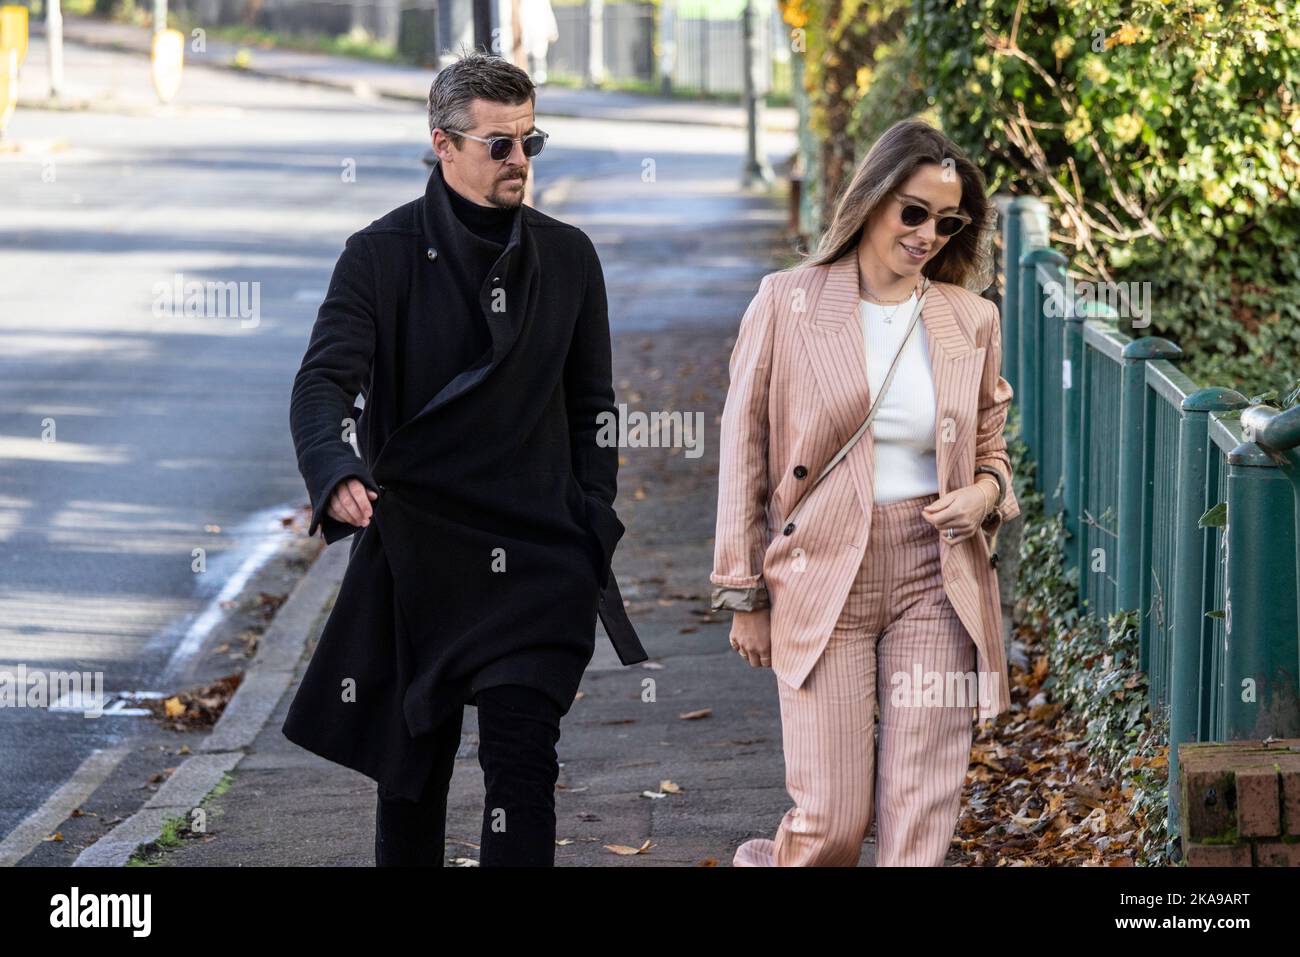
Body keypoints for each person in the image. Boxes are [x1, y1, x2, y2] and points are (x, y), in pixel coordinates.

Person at [282, 50, 647, 867]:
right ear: (443, 144)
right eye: (499, 145)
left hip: (539, 558)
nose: (519, 160)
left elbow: (593, 407)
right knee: (410, 782)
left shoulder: (569, 257)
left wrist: (592, 521)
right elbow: (323, 383)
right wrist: (335, 468)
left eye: (530, 141)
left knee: (522, 769)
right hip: (419, 560)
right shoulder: (379, 255)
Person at [711, 119, 1021, 866]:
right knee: (833, 820)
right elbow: (742, 447)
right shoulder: (787, 301)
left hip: (935, 571)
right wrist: (743, 592)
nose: (927, 234)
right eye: (912, 212)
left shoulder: (969, 319)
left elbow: (991, 450)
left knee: (922, 806)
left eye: (947, 222)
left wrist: (984, 495)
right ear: (875, 197)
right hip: (822, 570)